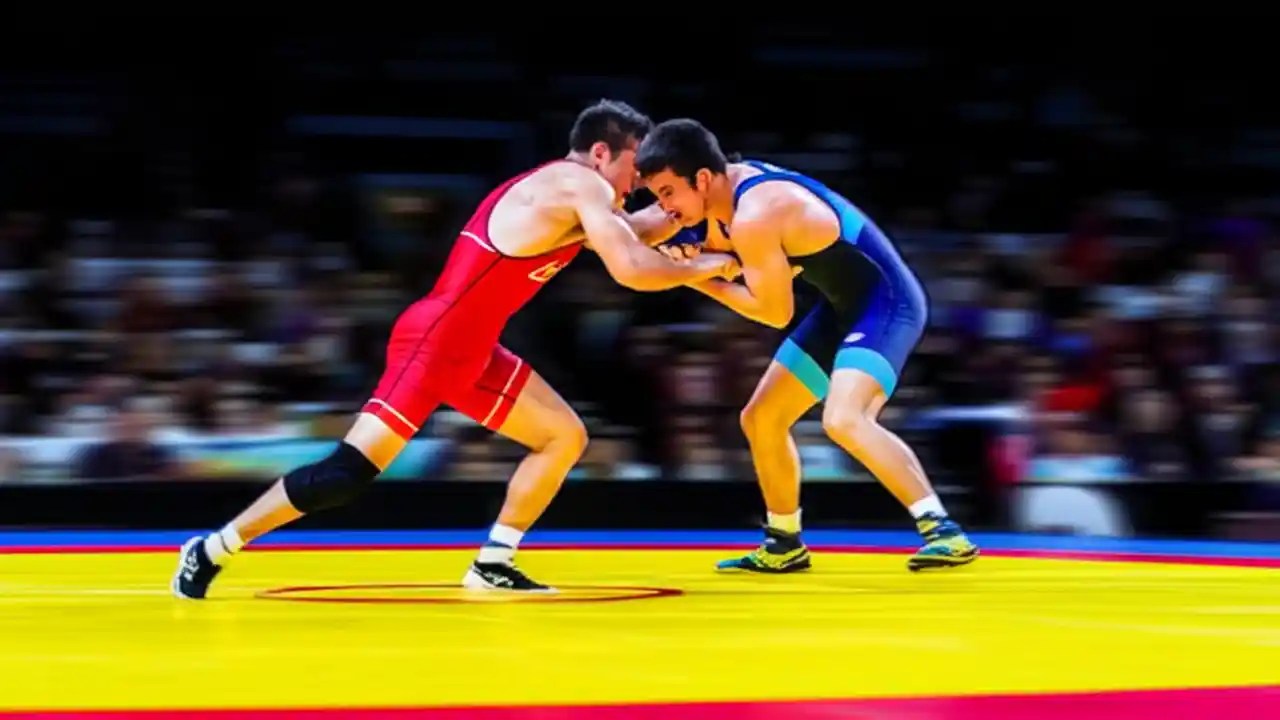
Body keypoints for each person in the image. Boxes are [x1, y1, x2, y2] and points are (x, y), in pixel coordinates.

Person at [171, 101, 740, 599]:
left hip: (471, 352)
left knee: (564, 437)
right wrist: (715, 264)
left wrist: (683, 217)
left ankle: (494, 562)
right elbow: (631, 267)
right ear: (598, 153)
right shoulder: (577, 186)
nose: (638, 181)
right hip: (433, 344)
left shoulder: (578, 197)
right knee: (345, 476)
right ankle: (214, 546)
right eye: (634, 166)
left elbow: (634, 234)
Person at [635, 118, 978, 572]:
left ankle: (943, 530)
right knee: (762, 418)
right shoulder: (724, 194)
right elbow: (643, 230)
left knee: (844, 418)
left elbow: (772, 312)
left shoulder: (757, 213)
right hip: (841, 309)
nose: (666, 208)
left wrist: (696, 275)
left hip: (887, 304)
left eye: (667, 193)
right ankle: (784, 542)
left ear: (701, 179)